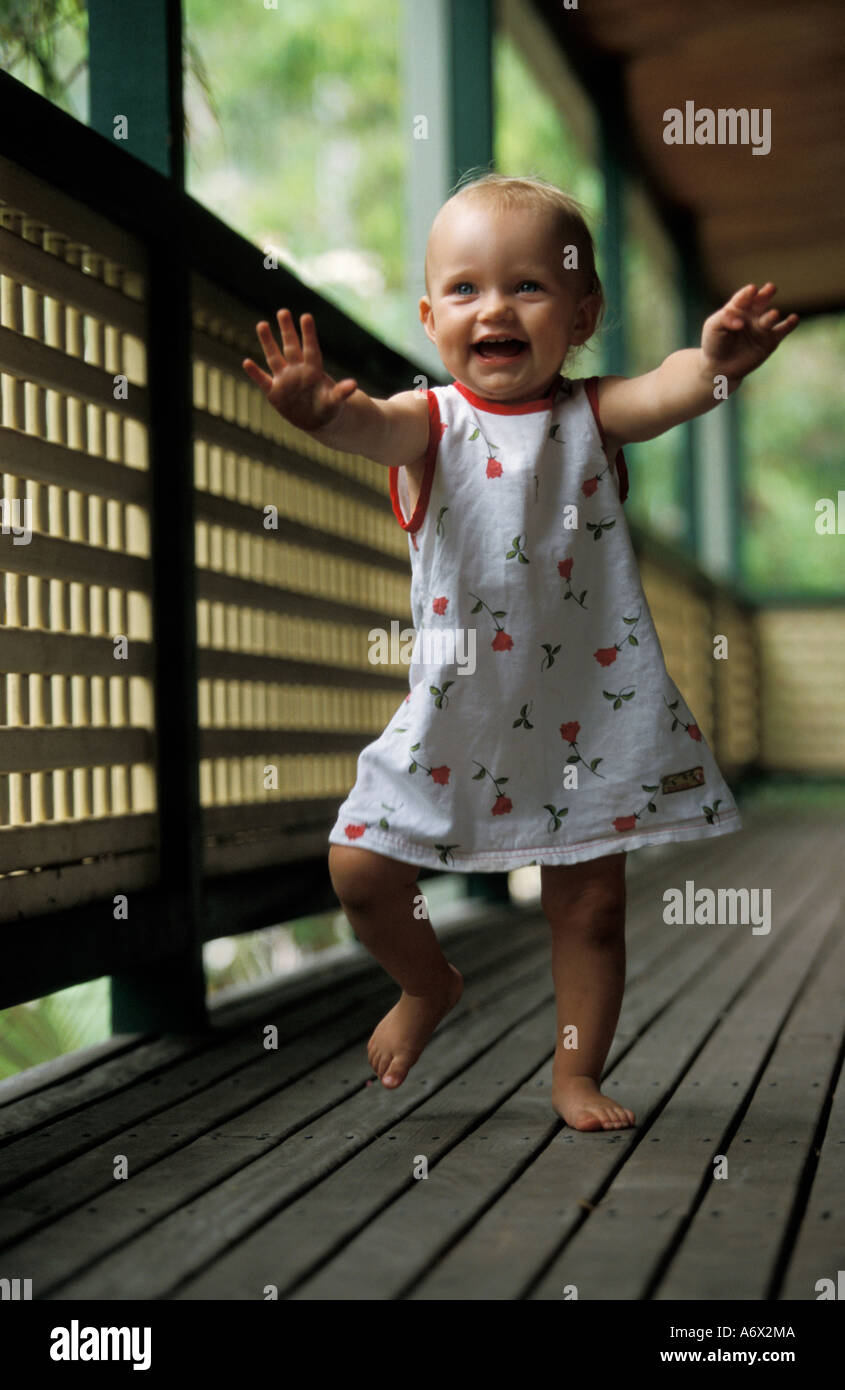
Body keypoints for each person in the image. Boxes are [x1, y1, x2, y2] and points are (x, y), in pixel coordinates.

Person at [242, 173, 798, 1131]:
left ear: (582, 314)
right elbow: (364, 423)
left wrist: (718, 365)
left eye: (528, 287)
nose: (493, 307)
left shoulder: (591, 414)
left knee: (589, 913)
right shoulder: (430, 422)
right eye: (464, 290)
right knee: (360, 871)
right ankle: (427, 985)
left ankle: (574, 1074)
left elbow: (669, 392)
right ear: (428, 315)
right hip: (459, 713)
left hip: (593, 710)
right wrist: (316, 410)